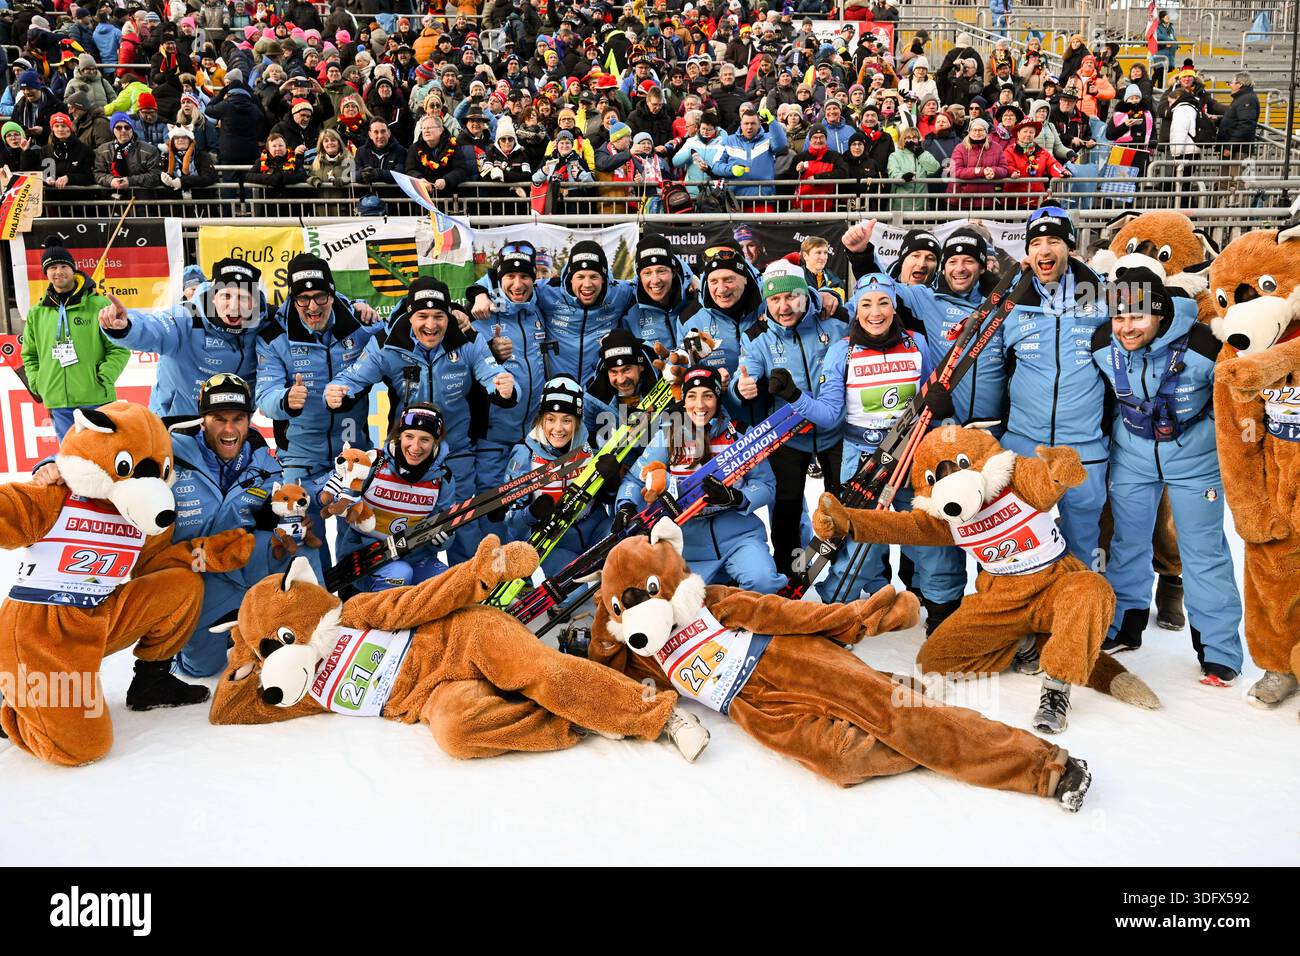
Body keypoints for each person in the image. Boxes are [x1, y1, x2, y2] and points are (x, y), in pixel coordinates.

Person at [1091, 267, 1243, 686]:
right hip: (1132, 459)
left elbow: (1231, 406)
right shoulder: (1103, 344)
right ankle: (1126, 625)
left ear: (1159, 315)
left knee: (1203, 552)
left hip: (1195, 461)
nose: (1126, 327)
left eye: (1137, 317)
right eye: (1119, 317)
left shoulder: (1204, 345)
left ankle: (1218, 650)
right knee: (1126, 543)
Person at [329, 276, 515, 564]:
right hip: (406, 455)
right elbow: (353, 377)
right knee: (395, 528)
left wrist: (503, 387)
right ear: (409, 315)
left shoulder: (468, 339)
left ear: (449, 315)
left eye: (439, 316)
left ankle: (467, 597)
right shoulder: (386, 343)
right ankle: (382, 589)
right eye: (422, 316)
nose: (431, 325)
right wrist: (340, 389)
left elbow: (491, 374)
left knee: (462, 528)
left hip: (455, 453)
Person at [163, 374, 297, 676]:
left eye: (238, 419)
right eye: (218, 419)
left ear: (249, 420)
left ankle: (281, 621)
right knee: (200, 669)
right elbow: (102, 449)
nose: (229, 429)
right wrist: (51, 465)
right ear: (203, 419)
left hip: (240, 567)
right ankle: (191, 634)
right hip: (191, 576)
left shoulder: (265, 465)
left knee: (293, 546)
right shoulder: (169, 450)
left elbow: (279, 523)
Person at [1000, 205, 1109, 563]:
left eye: (1054, 241)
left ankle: (1085, 617)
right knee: (1021, 550)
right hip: (1023, 448)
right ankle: (1024, 619)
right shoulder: (1008, 302)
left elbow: (1158, 309)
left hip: (1085, 450)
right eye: (1036, 243)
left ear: (1070, 248)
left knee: (1085, 551)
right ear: (1028, 254)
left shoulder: (1105, 297)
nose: (1044, 250)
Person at [618, 365, 786, 593]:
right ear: (684, 400)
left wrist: (738, 498)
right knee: (672, 606)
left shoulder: (738, 435)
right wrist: (625, 506)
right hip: (686, 544)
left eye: (708, 396)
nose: (700, 405)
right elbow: (635, 481)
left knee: (764, 582)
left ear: (717, 398)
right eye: (692, 396)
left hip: (738, 537)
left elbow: (766, 484)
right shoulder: (668, 437)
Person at [732, 259, 847, 578]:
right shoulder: (757, 336)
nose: (783, 306)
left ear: (806, 294)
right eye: (774, 300)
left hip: (836, 430)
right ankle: (790, 570)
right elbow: (746, 373)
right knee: (787, 508)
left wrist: (830, 298)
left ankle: (845, 568)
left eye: (791, 297)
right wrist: (743, 387)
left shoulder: (834, 322)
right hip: (788, 434)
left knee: (843, 502)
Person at [254, 255, 379, 500]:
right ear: (293, 298)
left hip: (353, 448)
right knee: (302, 533)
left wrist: (458, 315)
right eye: (303, 298)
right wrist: (286, 399)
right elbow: (265, 397)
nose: (313, 307)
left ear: (332, 295)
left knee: (360, 532)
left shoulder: (359, 323)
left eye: (320, 296)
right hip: (300, 457)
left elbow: (397, 340)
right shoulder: (274, 337)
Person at [98, 258, 266, 417]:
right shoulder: (186, 317)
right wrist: (127, 326)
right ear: (213, 297)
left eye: (244, 298)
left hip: (230, 429)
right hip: (177, 425)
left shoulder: (265, 323)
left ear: (255, 302)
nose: (234, 306)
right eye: (226, 296)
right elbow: (153, 327)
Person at [334, 403, 458, 592]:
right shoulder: (373, 463)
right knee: (399, 574)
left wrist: (444, 538)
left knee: (446, 582)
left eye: (425, 439)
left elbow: (445, 527)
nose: (415, 447)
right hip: (367, 558)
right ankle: (380, 618)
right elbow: (332, 494)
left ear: (435, 442)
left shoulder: (443, 478)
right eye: (409, 436)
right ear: (399, 436)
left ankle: (419, 620)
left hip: (415, 557)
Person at [21, 240, 129, 439]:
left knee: (103, 456)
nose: (58, 271)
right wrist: (38, 382)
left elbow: (119, 348)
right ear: (46, 273)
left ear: (73, 269)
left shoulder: (98, 305)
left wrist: (104, 377)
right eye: (52, 267)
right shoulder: (37, 313)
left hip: (96, 397)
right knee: (71, 460)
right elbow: (29, 354)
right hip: (58, 401)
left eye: (63, 266)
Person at [504, 376, 610, 576]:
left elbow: (608, 498)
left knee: (623, 545)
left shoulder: (591, 446)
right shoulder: (525, 454)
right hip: (554, 543)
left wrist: (611, 482)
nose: (558, 428)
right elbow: (512, 526)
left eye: (567, 420)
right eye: (550, 419)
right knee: (575, 587)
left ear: (577, 421)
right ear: (541, 418)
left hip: (594, 530)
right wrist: (531, 513)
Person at [534, 240, 636, 384]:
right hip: (558, 391)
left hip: (600, 392)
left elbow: (648, 280)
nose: (587, 284)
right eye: (580, 277)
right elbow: (509, 283)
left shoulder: (620, 293)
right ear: (570, 279)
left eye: (594, 276)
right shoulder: (547, 291)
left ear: (603, 279)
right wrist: (489, 292)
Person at [583, 327, 661, 448]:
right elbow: (584, 437)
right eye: (614, 372)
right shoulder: (594, 395)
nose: (621, 379)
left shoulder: (664, 379)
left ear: (641, 366)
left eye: (627, 370)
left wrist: (652, 426)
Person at [624, 233, 695, 349]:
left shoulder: (693, 299)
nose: (655, 280)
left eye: (661, 271)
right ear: (639, 277)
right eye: (647, 273)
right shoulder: (629, 312)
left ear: (674, 272)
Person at [93, 112, 161, 194]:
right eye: (119, 128)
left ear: (132, 129)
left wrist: (130, 181)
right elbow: (98, 174)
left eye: (127, 127)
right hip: (112, 197)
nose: (123, 130)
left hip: (141, 198)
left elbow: (156, 175)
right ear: (113, 130)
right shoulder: (103, 150)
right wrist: (111, 181)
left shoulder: (149, 150)